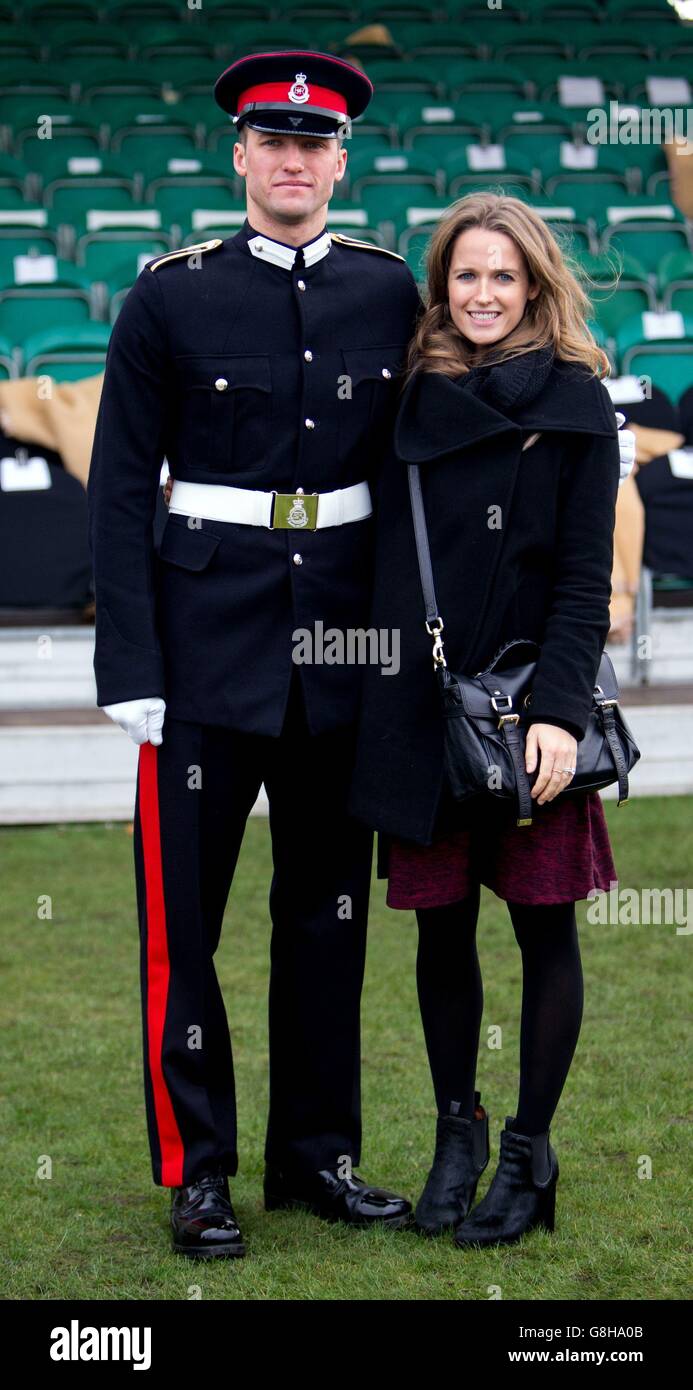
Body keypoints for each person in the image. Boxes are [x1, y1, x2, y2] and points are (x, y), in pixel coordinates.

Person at [86, 50, 422, 1259]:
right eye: (271, 140)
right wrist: (128, 665)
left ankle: (319, 1158)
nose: (293, 158)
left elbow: (410, 479)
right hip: (199, 651)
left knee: (328, 916)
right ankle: (200, 1171)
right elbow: (121, 488)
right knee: (186, 929)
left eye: (315, 143)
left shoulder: (393, 294)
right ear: (239, 155)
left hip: (344, 648)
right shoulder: (170, 295)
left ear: (341, 160)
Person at [346, 191, 631, 1248]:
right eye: (465, 275)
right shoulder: (407, 399)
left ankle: (529, 1153)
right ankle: (454, 1135)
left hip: (527, 719)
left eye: (503, 276)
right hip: (420, 716)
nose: (483, 293)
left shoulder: (576, 403)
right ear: (441, 287)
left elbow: (583, 579)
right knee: (440, 934)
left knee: (544, 930)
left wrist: (559, 710)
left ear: (537, 285)